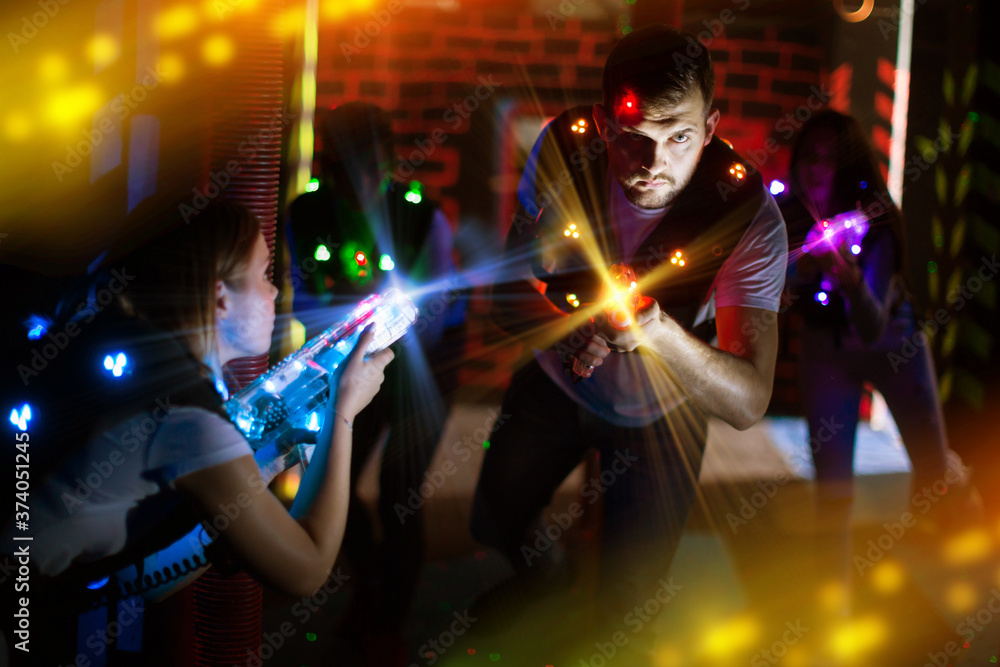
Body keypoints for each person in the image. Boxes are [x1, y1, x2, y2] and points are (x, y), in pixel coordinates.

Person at [469, 24, 787, 660]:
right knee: (496, 517)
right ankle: (549, 576)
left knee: (630, 606)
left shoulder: (749, 214)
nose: (654, 165)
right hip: (557, 385)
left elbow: (749, 400)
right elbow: (506, 285)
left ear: (713, 124)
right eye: (633, 139)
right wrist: (567, 325)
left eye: (679, 138)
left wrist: (656, 331)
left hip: (662, 415)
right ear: (603, 122)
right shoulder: (564, 144)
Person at [0, 200, 393, 666]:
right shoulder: (189, 421)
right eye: (265, 274)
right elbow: (306, 570)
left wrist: (257, 470)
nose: (275, 292)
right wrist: (343, 412)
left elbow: (139, 579)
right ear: (221, 296)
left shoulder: (136, 360)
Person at [285, 101, 461, 665]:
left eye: (371, 160)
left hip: (424, 369)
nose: (362, 176)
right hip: (349, 364)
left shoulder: (422, 216)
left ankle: (388, 626)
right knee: (330, 478)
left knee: (399, 497)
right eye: (347, 161)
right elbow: (308, 298)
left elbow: (441, 309)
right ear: (331, 160)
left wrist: (396, 357)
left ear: (386, 159)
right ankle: (366, 588)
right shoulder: (306, 212)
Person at [780, 110, 979, 612]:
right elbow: (777, 290)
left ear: (846, 165)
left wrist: (843, 272)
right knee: (833, 492)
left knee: (933, 471)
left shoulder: (876, 223)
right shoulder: (786, 216)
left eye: (829, 158)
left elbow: (871, 325)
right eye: (809, 156)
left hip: (895, 347)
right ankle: (832, 610)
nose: (816, 168)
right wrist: (805, 266)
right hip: (828, 355)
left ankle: (971, 537)